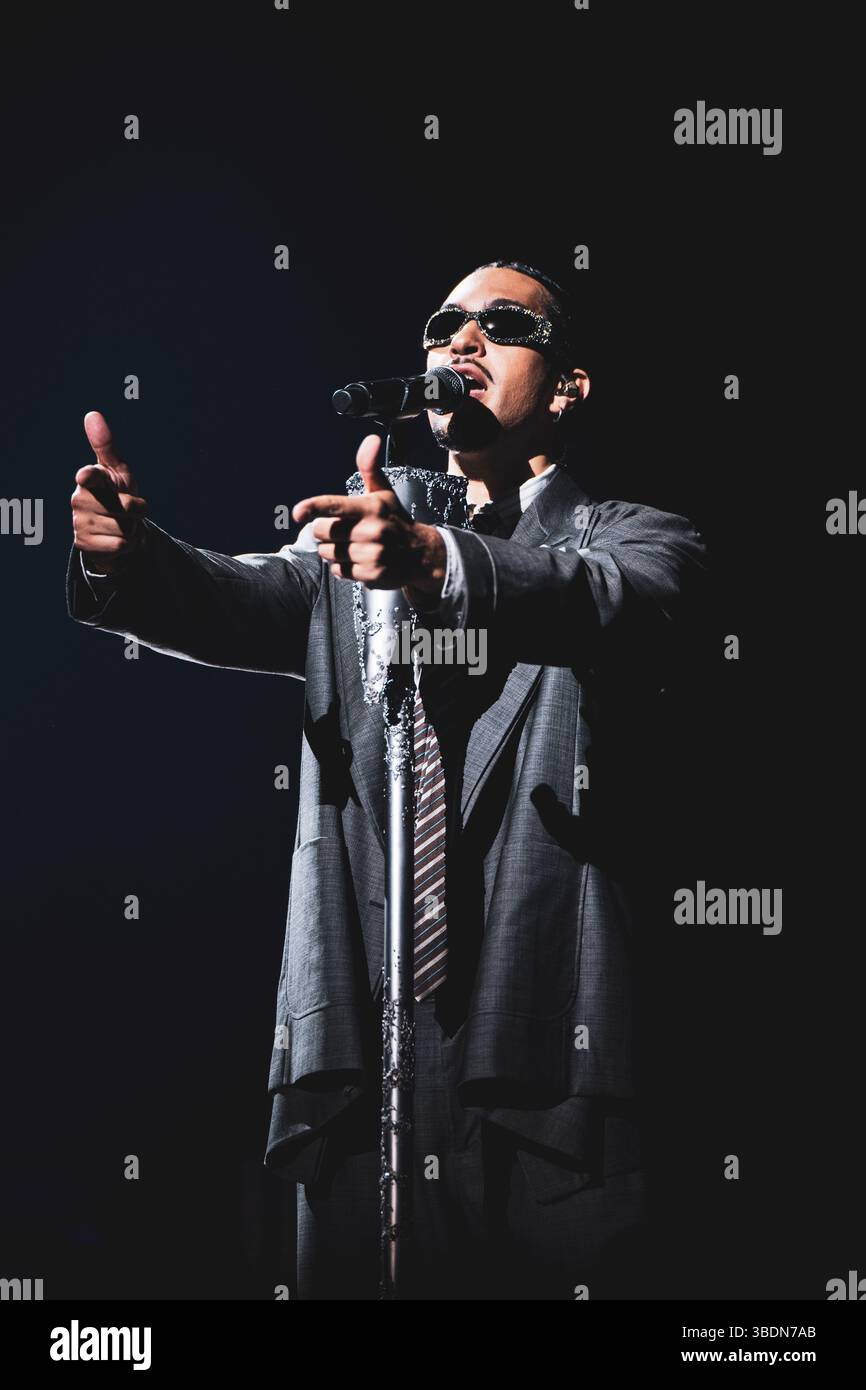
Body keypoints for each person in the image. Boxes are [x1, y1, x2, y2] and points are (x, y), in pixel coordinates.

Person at [67, 259, 707, 1300]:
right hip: (364, 1057)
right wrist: (127, 556)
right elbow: (233, 597)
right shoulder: (360, 545)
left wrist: (440, 563)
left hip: (546, 1060)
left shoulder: (639, 537)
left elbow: (610, 601)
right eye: (442, 322)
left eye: (502, 324)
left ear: (567, 384)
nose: (462, 338)